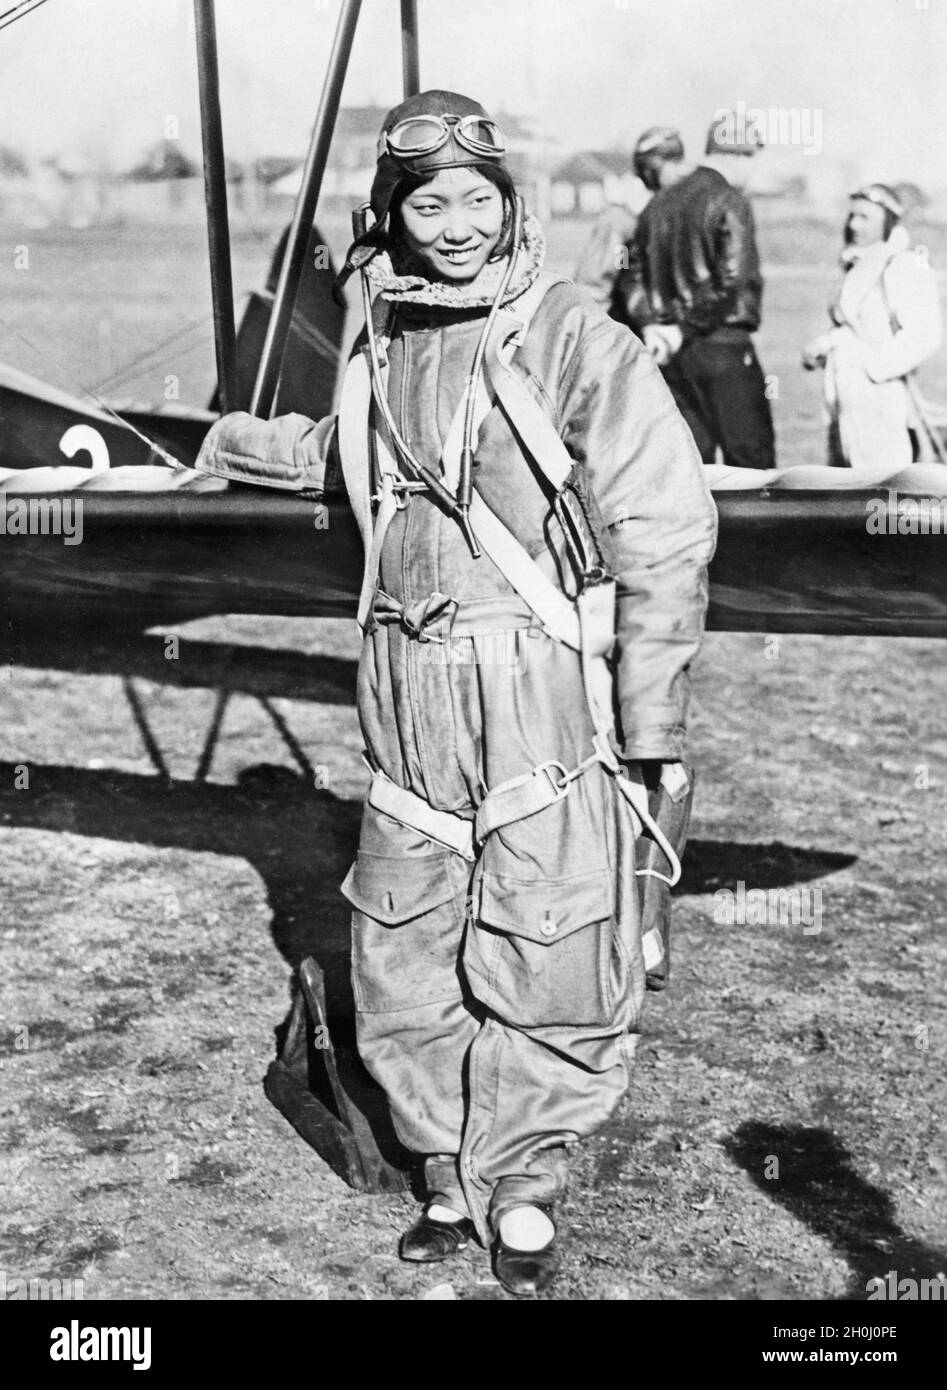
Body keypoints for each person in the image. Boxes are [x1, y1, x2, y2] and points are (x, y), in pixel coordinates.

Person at [193, 90, 717, 1297]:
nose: (456, 222)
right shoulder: (383, 338)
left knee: (550, 930)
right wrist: (230, 442)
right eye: (428, 201)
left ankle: (522, 1177)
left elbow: (664, 525)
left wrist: (649, 727)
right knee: (401, 931)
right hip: (400, 680)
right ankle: (438, 1158)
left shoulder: (575, 336)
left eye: (478, 198)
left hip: (530, 683)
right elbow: (349, 449)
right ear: (393, 212)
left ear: (509, 202)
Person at [617, 125, 776, 470]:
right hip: (725, 347)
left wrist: (651, 326)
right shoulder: (730, 200)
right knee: (752, 466)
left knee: (692, 468)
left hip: (671, 358)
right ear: (739, 155)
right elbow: (732, 280)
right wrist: (685, 327)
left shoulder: (655, 206)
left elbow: (630, 278)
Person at [802, 183, 942, 471]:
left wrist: (874, 369)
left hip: (879, 394)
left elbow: (925, 334)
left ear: (888, 221)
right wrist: (825, 345)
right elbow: (855, 326)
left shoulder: (904, 265)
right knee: (846, 485)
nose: (854, 224)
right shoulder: (859, 264)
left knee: (882, 485)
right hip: (842, 390)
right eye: (852, 216)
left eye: (865, 217)